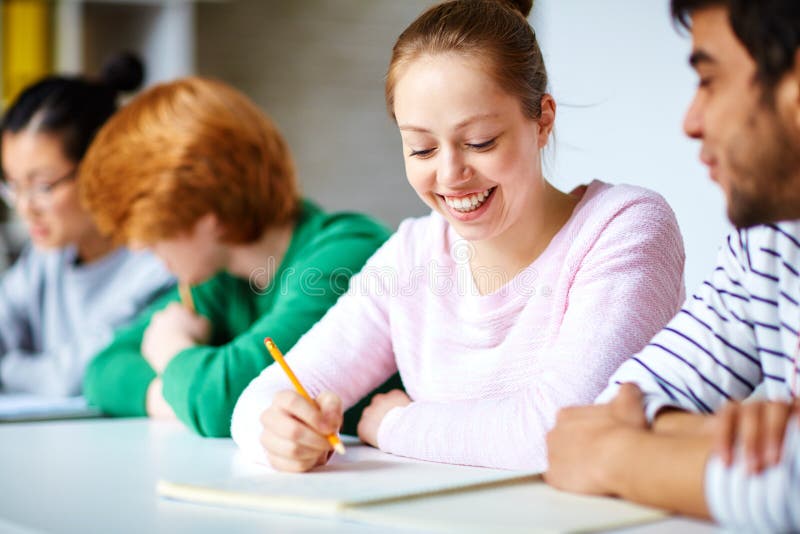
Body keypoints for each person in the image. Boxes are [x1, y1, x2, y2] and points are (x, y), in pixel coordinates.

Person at [230, 0, 685, 472]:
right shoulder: (412, 255)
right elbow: (258, 400)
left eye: (480, 141)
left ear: (543, 120)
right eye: (421, 148)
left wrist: (395, 425)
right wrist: (282, 430)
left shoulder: (624, 228)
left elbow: (563, 431)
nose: (450, 174)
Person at [545, 0, 800, 530]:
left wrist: (615, 457)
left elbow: (790, 493)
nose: (690, 122)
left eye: (709, 81)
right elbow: (613, 405)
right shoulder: (770, 240)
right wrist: (719, 436)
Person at [79, 76, 396, 438]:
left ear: (209, 211)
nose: (137, 244)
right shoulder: (219, 280)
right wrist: (178, 396)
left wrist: (171, 350)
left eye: (151, 226)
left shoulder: (347, 255)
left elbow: (228, 401)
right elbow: (102, 370)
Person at [0, 54, 174, 397]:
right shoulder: (46, 257)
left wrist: (8, 368)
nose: (24, 208)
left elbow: (71, 378)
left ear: (102, 168)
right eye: (13, 186)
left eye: (42, 186)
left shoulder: (159, 267)